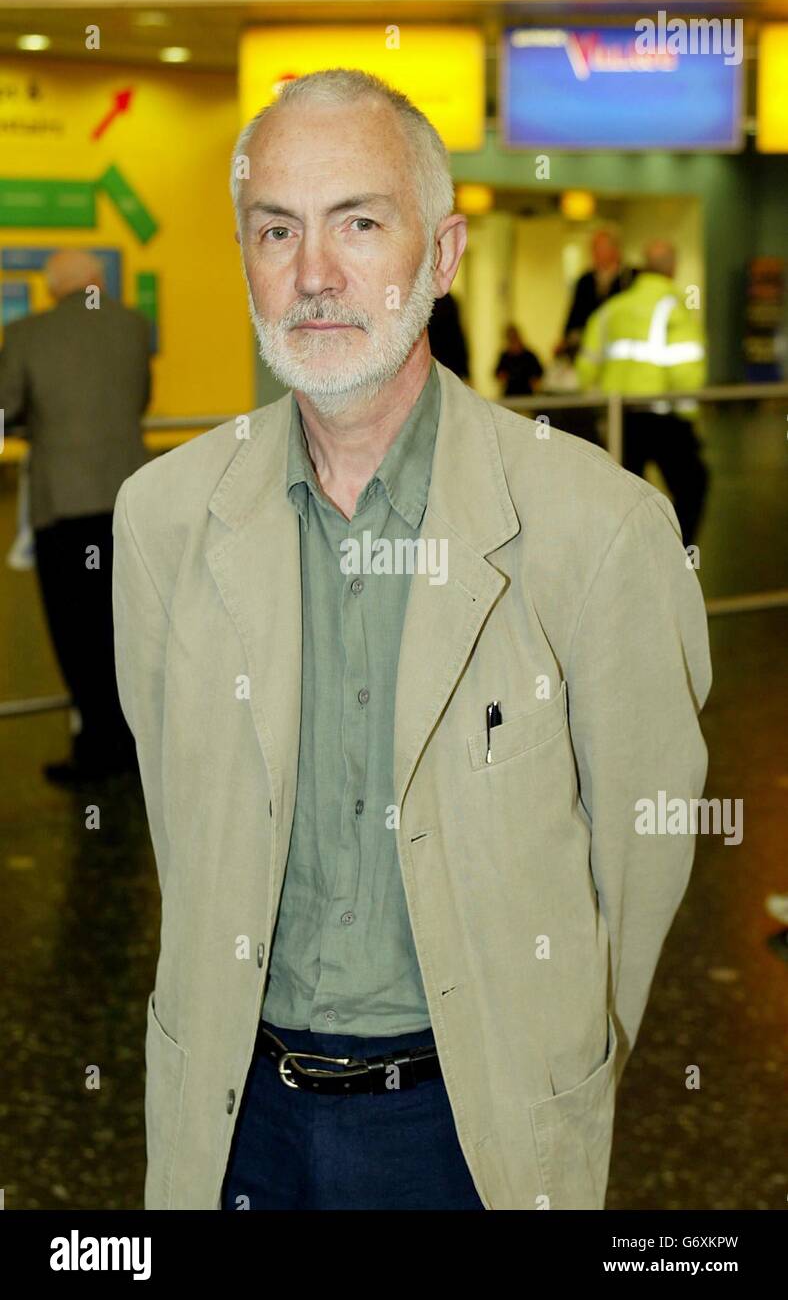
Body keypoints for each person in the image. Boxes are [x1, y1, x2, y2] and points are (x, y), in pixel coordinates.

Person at [112, 68, 711, 1212]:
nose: (314, 275)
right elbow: (182, 818)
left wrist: (555, 1055)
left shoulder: (596, 529)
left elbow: (644, 843)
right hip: (234, 1119)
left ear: (440, 255)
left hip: (464, 1135)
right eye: (275, 229)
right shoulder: (164, 520)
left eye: (359, 223)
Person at [0, 249, 152, 784]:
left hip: (64, 504)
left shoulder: (27, 335)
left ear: (50, 288)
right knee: (126, 628)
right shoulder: (135, 327)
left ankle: (97, 747)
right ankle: (137, 748)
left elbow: (8, 404)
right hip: (129, 501)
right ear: (97, 282)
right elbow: (139, 400)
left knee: (76, 633)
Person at [575, 239, 709, 547]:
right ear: (673, 269)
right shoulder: (675, 307)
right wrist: (689, 418)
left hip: (619, 417)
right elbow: (688, 371)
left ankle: (632, 559)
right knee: (693, 485)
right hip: (663, 417)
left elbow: (586, 368)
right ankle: (676, 555)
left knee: (625, 495)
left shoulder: (611, 310)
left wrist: (601, 402)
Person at [561, 227, 635, 356]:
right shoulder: (585, 281)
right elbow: (574, 318)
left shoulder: (630, 278)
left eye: (600, 248)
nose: (595, 254)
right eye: (593, 249)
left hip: (622, 350)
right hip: (591, 352)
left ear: (615, 250)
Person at [427, 290, 469, 379]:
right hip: (450, 360)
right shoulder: (448, 299)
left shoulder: (426, 299)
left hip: (436, 357)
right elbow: (458, 336)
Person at [494, 322, 542, 397]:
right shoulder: (505, 356)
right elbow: (498, 374)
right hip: (510, 394)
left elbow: (539, 373)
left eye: (514, 337)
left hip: (527, 394)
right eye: (510, 338)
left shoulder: (529, 356)